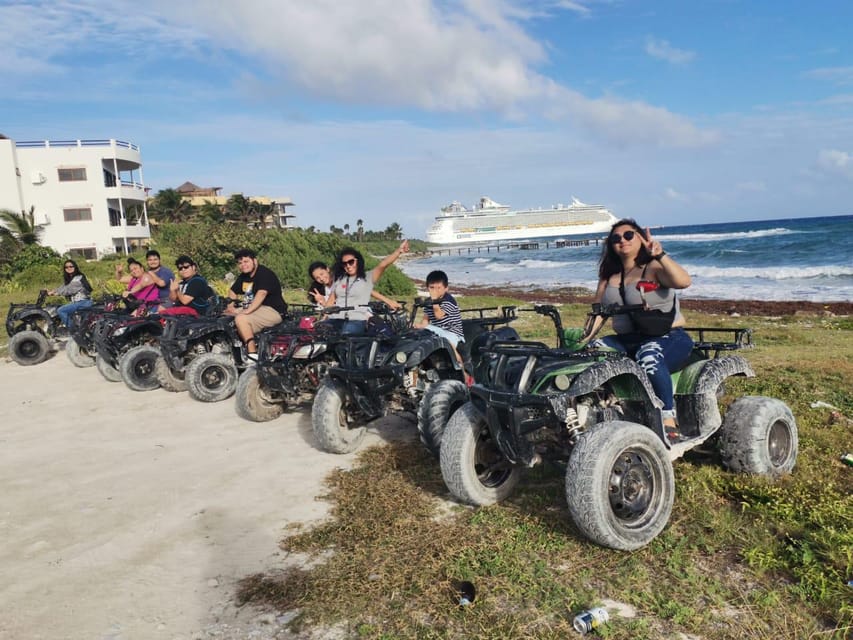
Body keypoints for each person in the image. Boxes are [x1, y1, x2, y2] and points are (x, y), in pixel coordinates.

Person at [591, 218, 693, 442]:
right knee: (592, 352)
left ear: (640, 238)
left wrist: (660, 254)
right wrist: (586, 338)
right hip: (627, 340)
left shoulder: (654, 268)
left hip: (668, 337)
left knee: (648, 355)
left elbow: (684, 281)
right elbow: (598, 313)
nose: (622, 241)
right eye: (616, 238)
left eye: (629, 235)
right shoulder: (607, 277)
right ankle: (605, 408)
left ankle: (668, 417)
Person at [318, 240, 409, 334]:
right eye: (345, 264)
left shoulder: (367, 278)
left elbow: (383, 265)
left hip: (356, 320)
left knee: (346, 337)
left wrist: (399, 251)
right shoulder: (339, 281)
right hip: (337, 318)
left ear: (358, 261)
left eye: (351, 262)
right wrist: (323, 319)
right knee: (320, 332)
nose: (348, 266)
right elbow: (330, 303)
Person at [225, 248, 287, 360]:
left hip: (273, 310)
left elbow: (261, 294)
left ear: (255, 261)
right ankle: (230, 351)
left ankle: (252, 354)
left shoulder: (265, 273)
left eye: (246, 261)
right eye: (240, 263)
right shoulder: (244, 276)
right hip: (255, 308)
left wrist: (246, 312)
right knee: (224, 316)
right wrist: (231, 306)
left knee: (241, 319)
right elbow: (232, 291)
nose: (243, 265)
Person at [308, 260, 402, 312]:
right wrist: (322, 301)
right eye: (317, 278)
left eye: (322, 273)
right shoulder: (321, 291)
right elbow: (328, 310)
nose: (321, 278)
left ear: (327, 269)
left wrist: (388, 301)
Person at [416, 269, 465, 366]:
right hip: (437, 330)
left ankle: (461, 368)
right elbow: (426, 319)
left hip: (452, 332)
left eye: (439, 288)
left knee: (448, 343)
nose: (435, 291)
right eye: (432, 287)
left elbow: (438, 316)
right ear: (427, 288)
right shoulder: (428, 301)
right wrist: (420, 326)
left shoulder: (448, 301)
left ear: (446, 288)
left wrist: (434, 301)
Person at [49, 260, 94, 327]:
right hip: (78, 302)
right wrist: (51, 291)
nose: (69, 268)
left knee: (61, 310)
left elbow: (69, 290)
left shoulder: (78, 277)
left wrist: (56, 293)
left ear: (75, 267)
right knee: (57, 307)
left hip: (83, 302)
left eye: (71, 266)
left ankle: (72, 330)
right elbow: (63, 287)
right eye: (66, 267)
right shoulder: (70, 278)